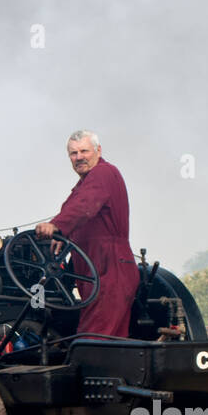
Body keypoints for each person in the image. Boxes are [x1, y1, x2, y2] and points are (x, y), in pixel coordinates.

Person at [34, 130, 139, 338]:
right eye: (73, 153)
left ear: (98, 151)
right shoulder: (84, 184)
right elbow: (81, 213)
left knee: (95, 336)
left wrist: (56, 226)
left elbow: (84, 207)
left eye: (84, 151)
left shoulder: (104, 173)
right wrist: (65, 238)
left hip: (109, 267)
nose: (79, 157)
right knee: (110, 337)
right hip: (94, 268)